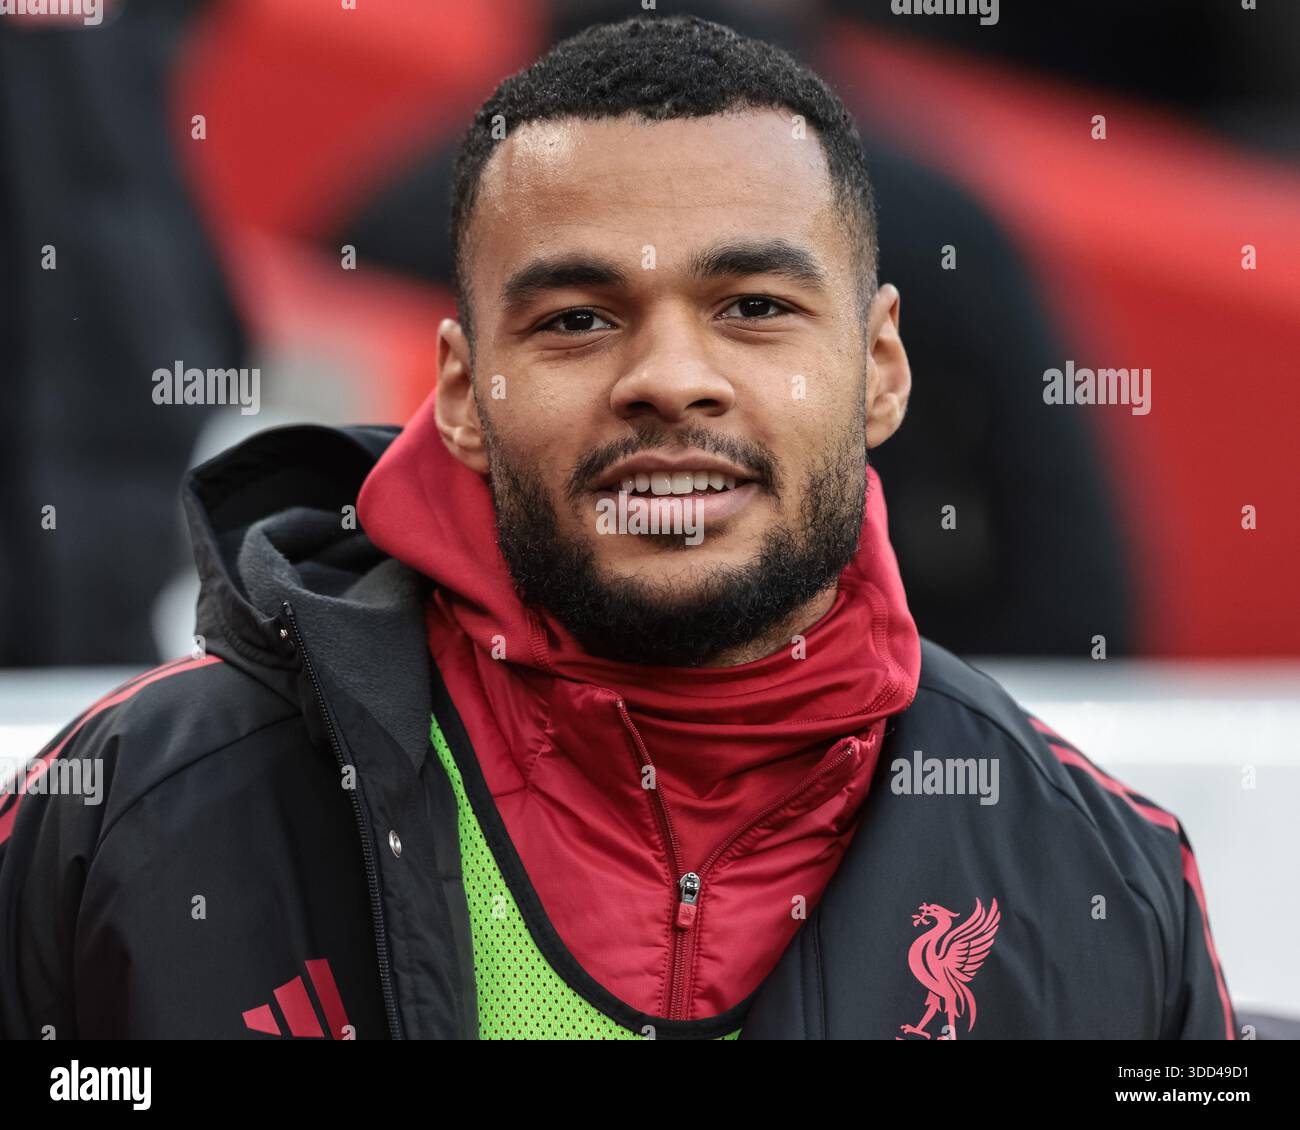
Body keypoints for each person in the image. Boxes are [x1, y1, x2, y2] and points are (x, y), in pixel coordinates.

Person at [0, 14, 1234, 1040]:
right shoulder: (123, 817)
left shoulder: (1099, 877)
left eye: (751, 305)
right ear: (462, 390)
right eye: (578, 319)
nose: (669, 377)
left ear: (880, 367)